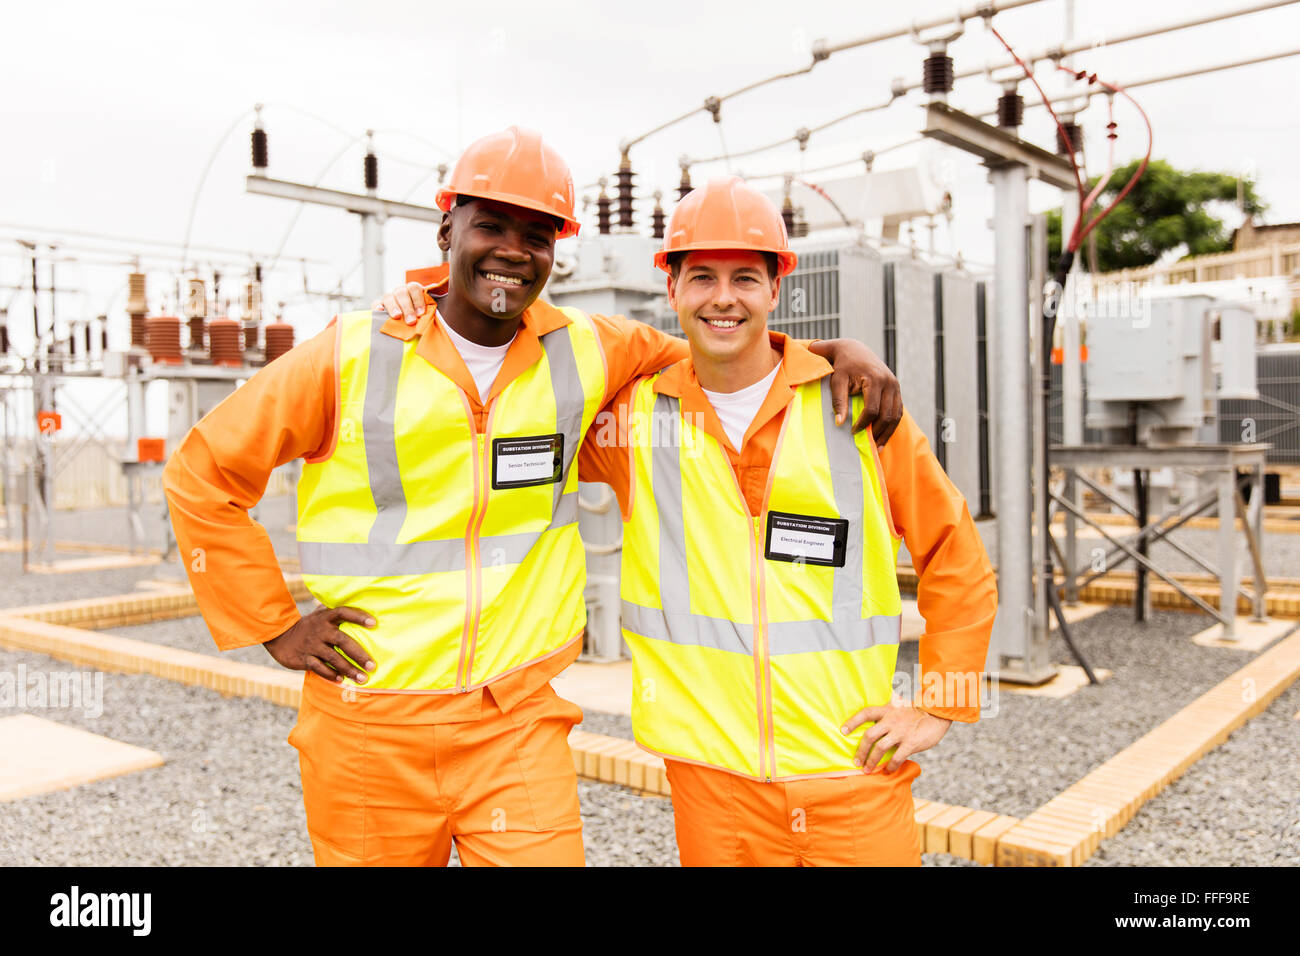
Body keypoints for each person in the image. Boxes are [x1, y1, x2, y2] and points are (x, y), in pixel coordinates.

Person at [163, 127, 902, 867]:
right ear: (447, 228)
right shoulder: (351, 352)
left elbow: (726, 348)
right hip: (369, 722)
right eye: (490, 226)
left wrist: (838, 353)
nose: (514, 250)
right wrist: (274, 624)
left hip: (513, 724)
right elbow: (202, 473)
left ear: (557, 250)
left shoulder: (587, 346)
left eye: (538, 234)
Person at [571, 176, 998, 866]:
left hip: (851, 771)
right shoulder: (635, 422)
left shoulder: (858, 410)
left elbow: (954, 552)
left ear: (776, 290)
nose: (723, 298)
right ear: (672, 290)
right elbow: (521, 373)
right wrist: (435, 296)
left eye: (746, 277)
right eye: (701, 277)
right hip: (711, 783)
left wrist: (940, 703)